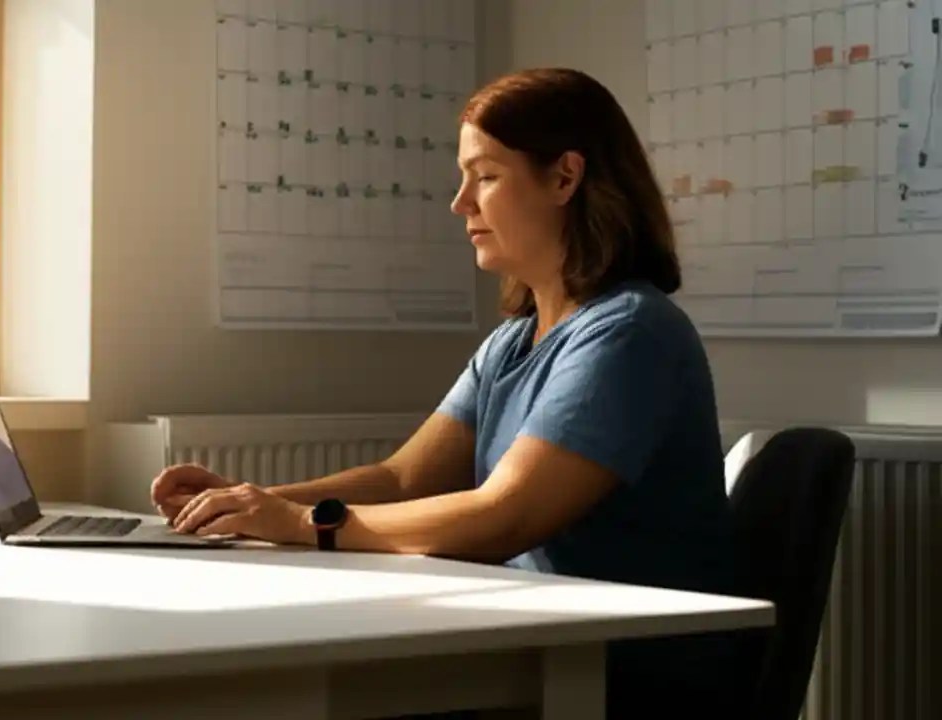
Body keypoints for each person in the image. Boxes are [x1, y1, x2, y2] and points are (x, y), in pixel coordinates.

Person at [152, 68, 744, 719]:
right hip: (541, 645)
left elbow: (505, 515)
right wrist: (243, 505)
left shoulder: (630, 332)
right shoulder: (514, 342)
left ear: (564, 178)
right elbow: (405, 477)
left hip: (619, 677)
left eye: (485, 175)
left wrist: (296, 524)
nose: (460, 202)